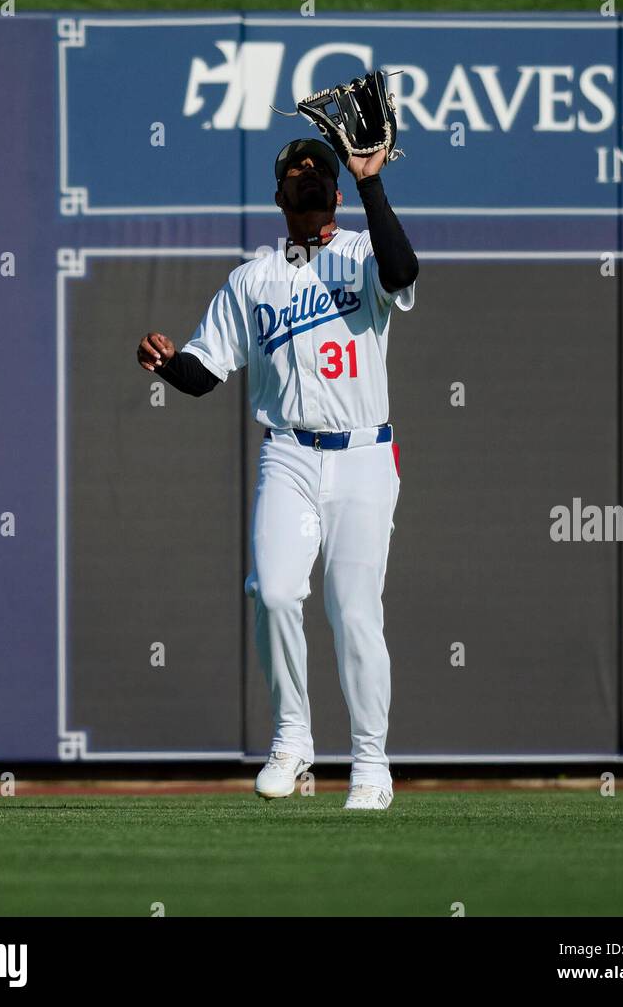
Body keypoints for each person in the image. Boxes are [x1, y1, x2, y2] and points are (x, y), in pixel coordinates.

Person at [137, 136, 418, 810]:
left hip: (363, 456)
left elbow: (403, 273)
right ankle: (293, 740)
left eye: (318, 168)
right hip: (289, 453)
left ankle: (372, 766)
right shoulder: (251, 279)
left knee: (354, 613)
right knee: (273, 591)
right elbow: (207, 372)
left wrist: (373, 183)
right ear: (278, 197)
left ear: (336, 191)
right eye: (295, 170)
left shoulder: (359, 254)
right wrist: (169, 363)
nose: (307, 175)